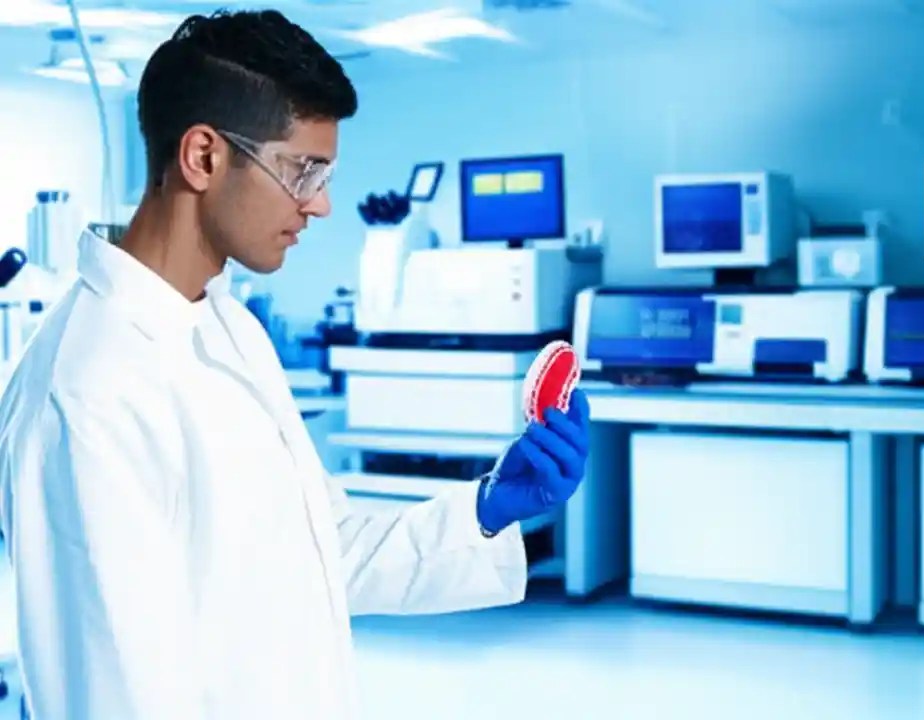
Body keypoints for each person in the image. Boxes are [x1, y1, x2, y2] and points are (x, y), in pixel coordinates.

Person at [0, 9, 590, 719]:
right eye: (302, 169)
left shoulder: (228, 327)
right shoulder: (88, 391)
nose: (321, 203)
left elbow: (320, 552)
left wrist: (492, 507)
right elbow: (114, 696)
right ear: (203, 157)